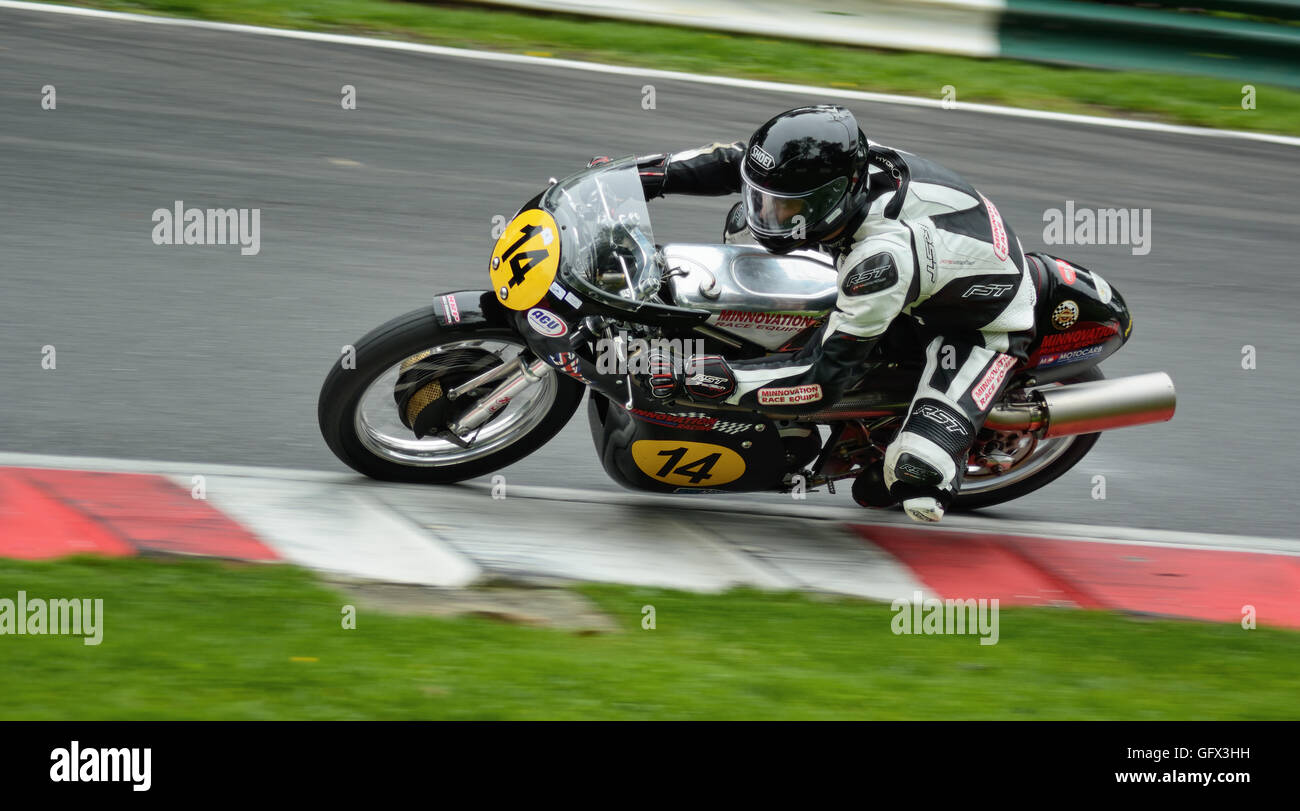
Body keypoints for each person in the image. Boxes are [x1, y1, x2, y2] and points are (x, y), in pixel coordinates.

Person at [619, 105, 1037, 523]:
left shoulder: (880, 261)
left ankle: (941, 456)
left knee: (915, 473)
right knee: (743, 232)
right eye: (766, 201)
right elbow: (736, 161)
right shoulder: (828, 161)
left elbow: (819, 381)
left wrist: (716, 379)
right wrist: (637, 178)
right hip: (919, 265)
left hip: (974, 326)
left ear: (837, 198)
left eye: (788, 208)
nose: (768, 214)